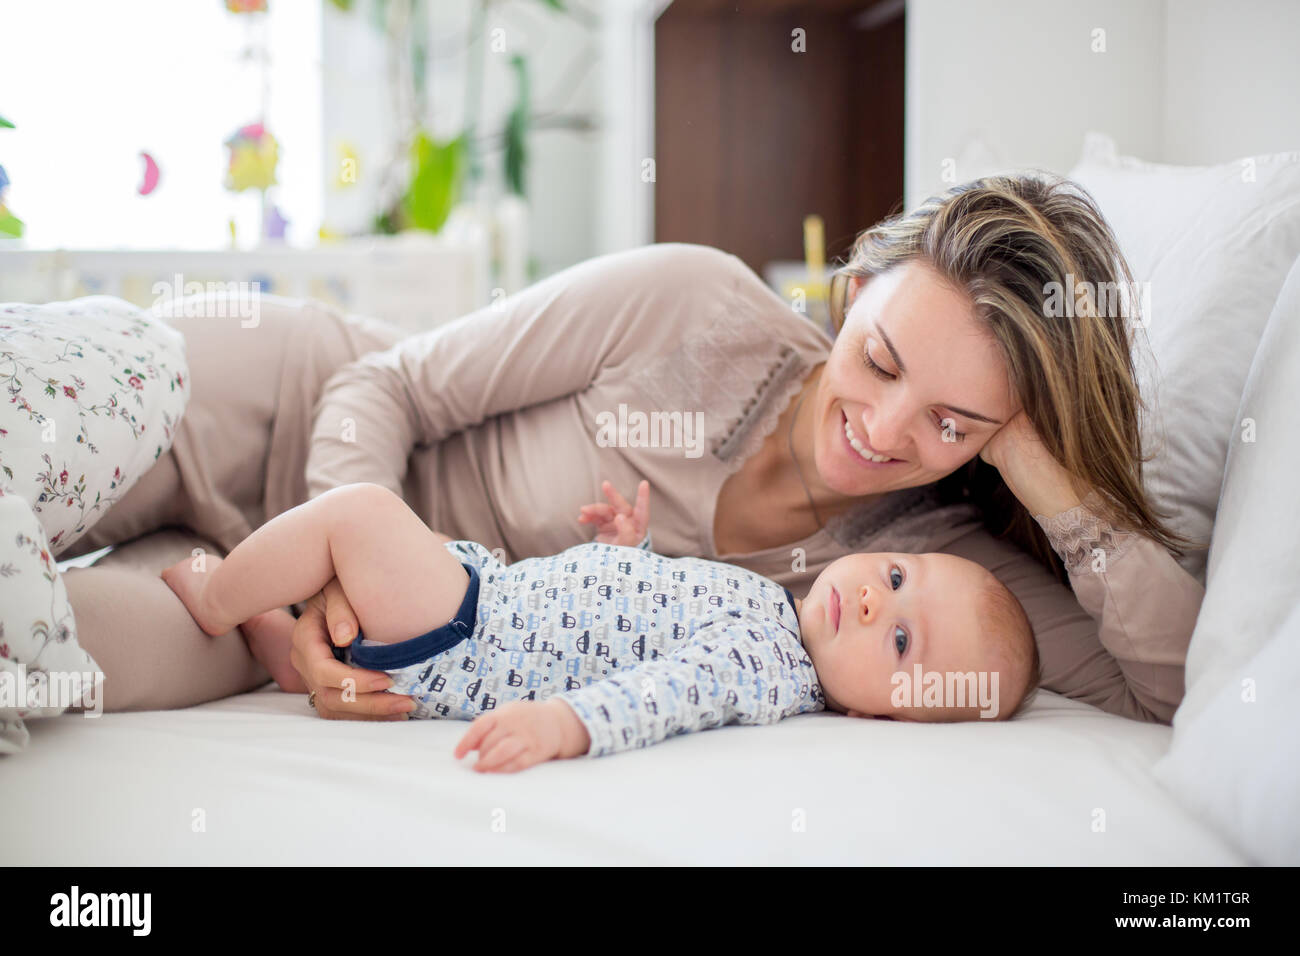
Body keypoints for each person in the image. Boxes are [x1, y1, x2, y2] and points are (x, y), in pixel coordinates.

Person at [62, 172, 1204, 726]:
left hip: (330, 624)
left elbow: (1173, 690)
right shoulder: (693, 303)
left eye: (956, 423)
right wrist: (335, 571)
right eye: (886, 361)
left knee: (53, 653)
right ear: (852, 294)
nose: (886, 433)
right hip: (279, 414)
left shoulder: (929, 573)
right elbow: (386, 381)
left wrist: (1051, 483)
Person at [159, 478, 1039, 772]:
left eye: (898, 641)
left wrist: (567, 722)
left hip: (474, 642)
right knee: (380, 540)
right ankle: (284, 647)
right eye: (895, 576)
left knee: (359, 515)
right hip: (487, 595)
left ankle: (217, 599)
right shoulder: (774, 611)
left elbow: (664, 690)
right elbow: (652, 614)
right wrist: (634, 548)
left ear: (879, 716)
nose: (878, 601)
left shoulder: (766, 667)